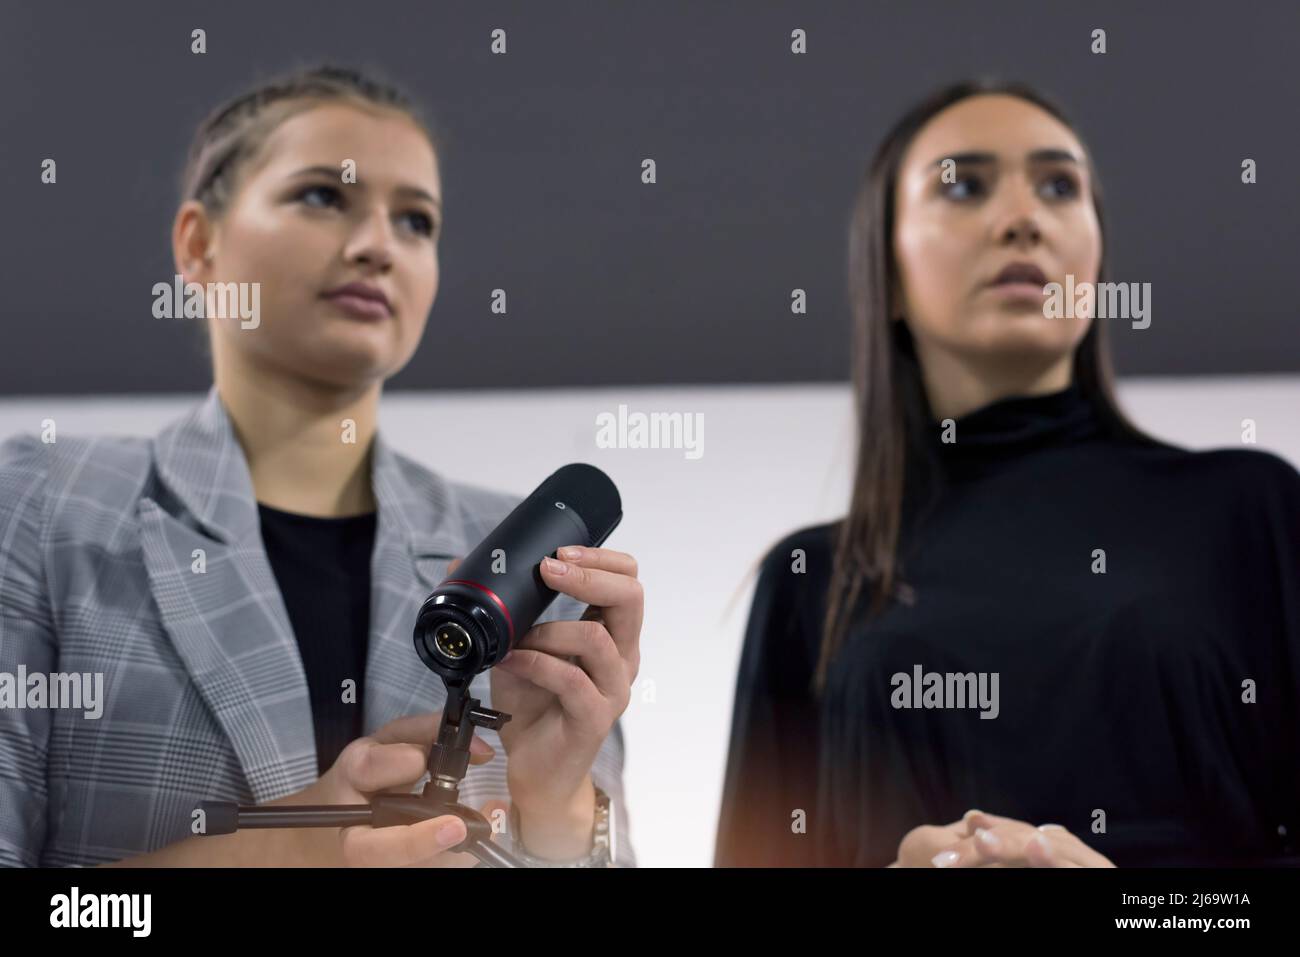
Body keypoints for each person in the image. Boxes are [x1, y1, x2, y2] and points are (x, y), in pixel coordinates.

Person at [0, 65, 641, 868]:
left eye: (416, 221)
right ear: (199, 244)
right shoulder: (41, 503)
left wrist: (558, 811)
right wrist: (297, 849)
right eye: (321, 196)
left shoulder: (518, 555)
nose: (377, 244)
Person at [714, 78, 1300, 868]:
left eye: (1060, 185)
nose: (1022, 218)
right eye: (963, 184)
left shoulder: (1251, 509)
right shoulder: (811, 579)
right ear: (884, 270)